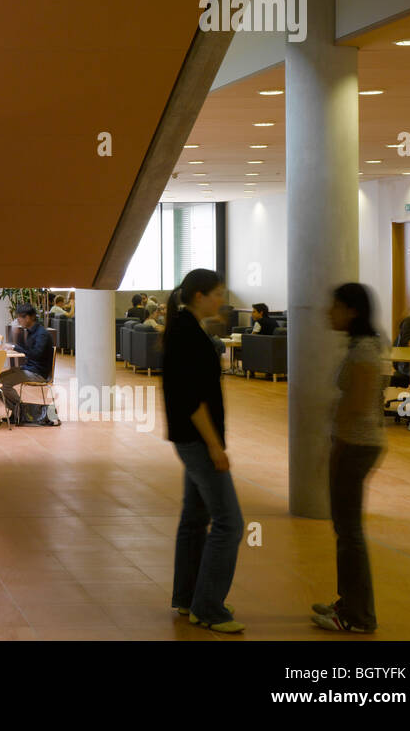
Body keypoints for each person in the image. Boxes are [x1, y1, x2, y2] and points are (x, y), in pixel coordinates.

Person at [162, 268, 245, 633]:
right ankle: (208, 607)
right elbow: (193, 399)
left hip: (191, 438)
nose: (221, 300)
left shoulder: (185, 328)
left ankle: (187, 597)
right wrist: (215, 446)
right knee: (229, 523)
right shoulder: (188, 335)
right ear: (199, 296)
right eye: (217, 293)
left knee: (195, 520)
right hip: (197, 440)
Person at [312, 283, 387, 633]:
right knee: (345, 529)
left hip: (354, 446)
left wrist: (336, 445)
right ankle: (349, 602)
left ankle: (358, 616)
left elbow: (355, 408)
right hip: (355, 444)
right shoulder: (365, 345)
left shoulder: (364, 353)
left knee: (349, 532)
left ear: (352, 311)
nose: (329, 312)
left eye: (335, 306)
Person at [0, 304, 54, 424]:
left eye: (19, 318)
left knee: (3, 384)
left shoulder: (41, 334)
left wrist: (14, 347)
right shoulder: (31, 331)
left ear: (28, 317)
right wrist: (14, 346)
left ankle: (21, 411)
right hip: (29, 368)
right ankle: (18, 411)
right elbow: (27, 351)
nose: (18, 320)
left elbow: (35, 354)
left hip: (37, 372)